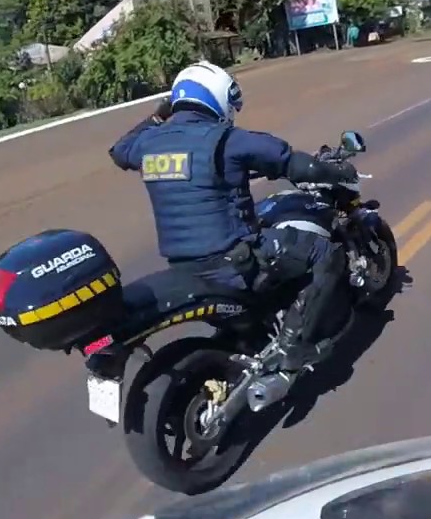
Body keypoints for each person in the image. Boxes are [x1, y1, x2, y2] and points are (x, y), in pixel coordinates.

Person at [109, 60, 354, 372]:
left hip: (184, 264)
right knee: (326, 253)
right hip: (234, 262)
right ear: (216, 97)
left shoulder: (149, 143)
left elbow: (119, 150)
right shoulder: (225, 138)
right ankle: (296, 344)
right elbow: (296, 165)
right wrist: (336, 171)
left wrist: (159, 115)